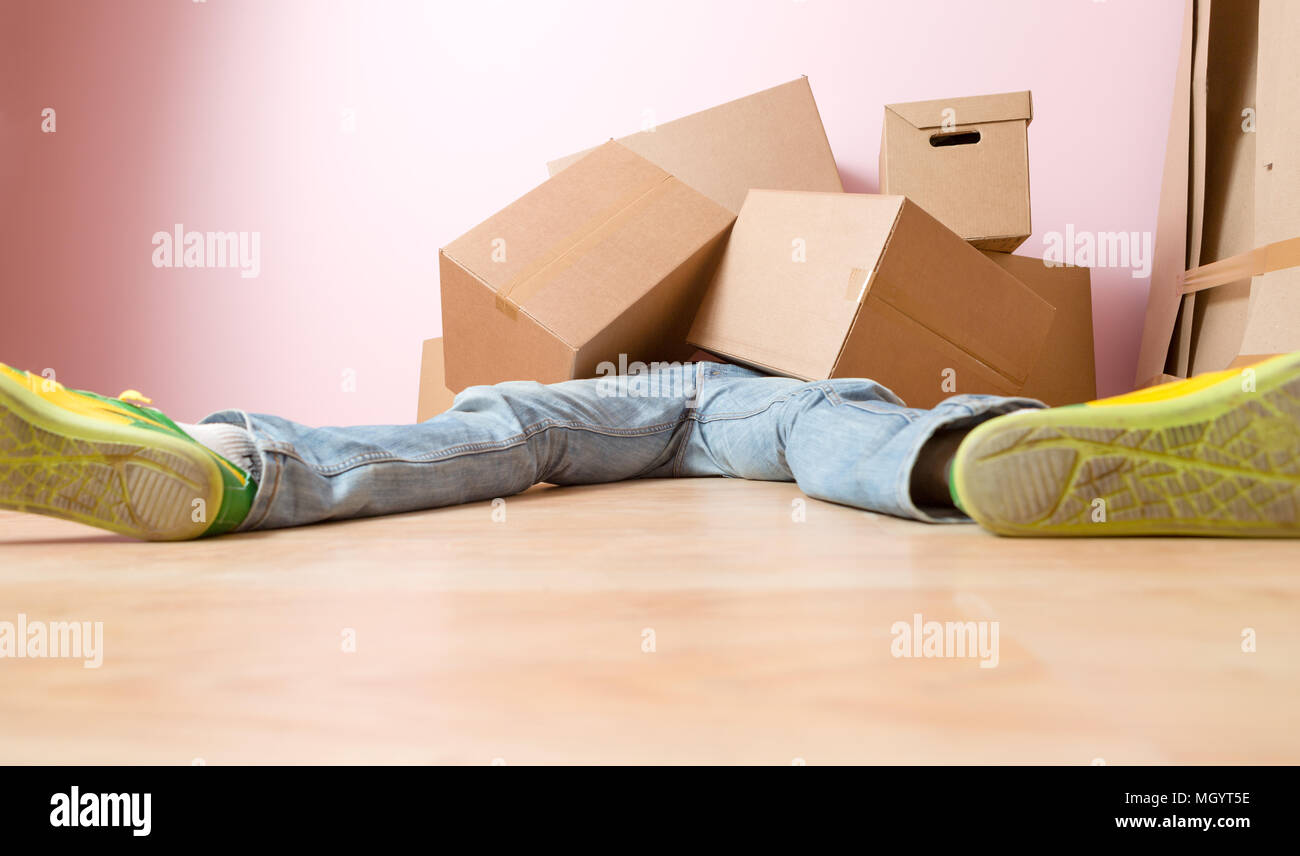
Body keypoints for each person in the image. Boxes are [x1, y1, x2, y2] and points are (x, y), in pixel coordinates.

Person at [1, 353, 1297, 541]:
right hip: (756, 407)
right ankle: (975, 453)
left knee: (496, 432)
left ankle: (232, 460)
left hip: (620, 406)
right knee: (833, 421)